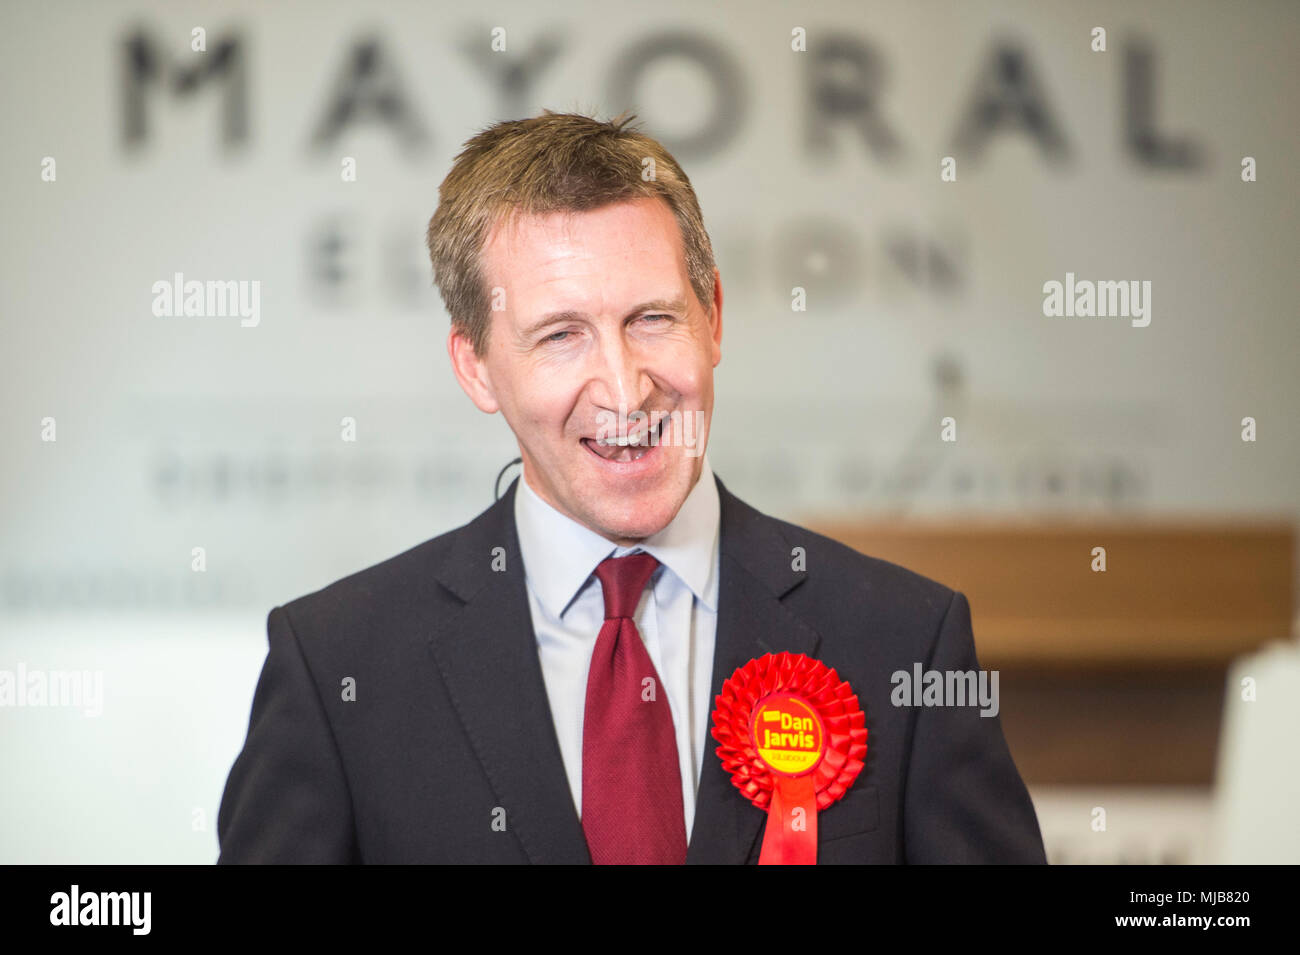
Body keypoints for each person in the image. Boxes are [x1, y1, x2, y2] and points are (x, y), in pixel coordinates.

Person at [216, 110, 1047, 864]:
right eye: (561, 335)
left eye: (653, 318)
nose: (623, 387)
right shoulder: (339, 668)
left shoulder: (906, 638)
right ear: (476, 367)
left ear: (713, 316)